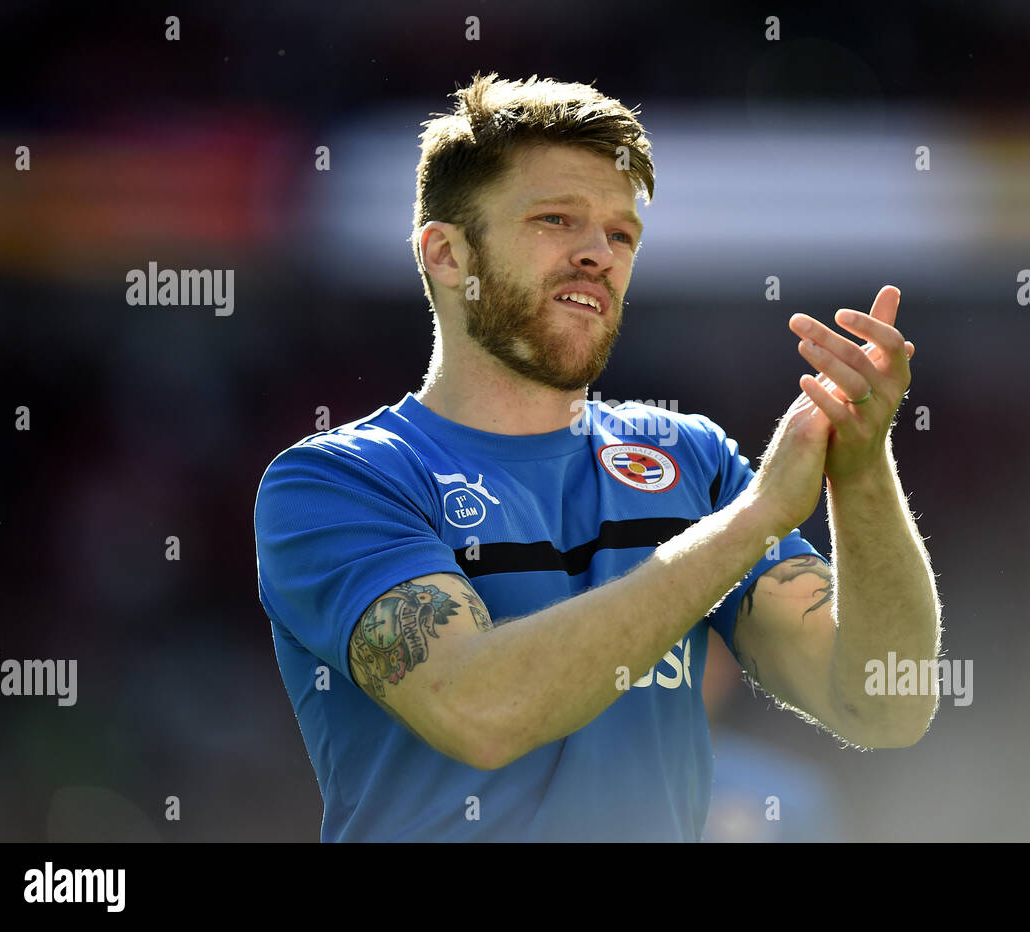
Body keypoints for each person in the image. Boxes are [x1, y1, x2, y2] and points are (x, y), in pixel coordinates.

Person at [253, 73, 941, 842]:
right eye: (557, 219)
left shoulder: (691, 460)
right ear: (446, 254)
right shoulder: (337, 482)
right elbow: (479, 710)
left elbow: (887, 703)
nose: (597, 255)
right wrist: (753, 522)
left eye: (621, 235)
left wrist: (862, 471)